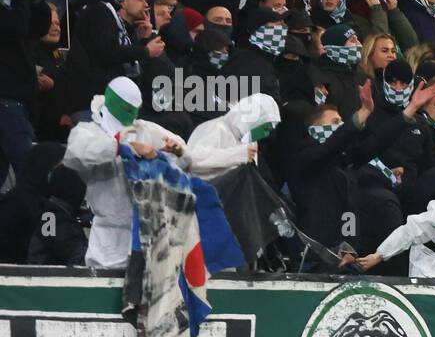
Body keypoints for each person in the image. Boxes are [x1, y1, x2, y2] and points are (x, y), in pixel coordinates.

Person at [63, 77, 188, 270]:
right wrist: (121, 146)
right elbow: (77, 154)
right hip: (108, 242)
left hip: (149, 235)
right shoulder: (89, 131)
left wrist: (177, 150)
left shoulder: (145, 129)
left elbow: (184, 152)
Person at [185, 93, 281, 180]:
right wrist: (240, 155)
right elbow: (194, 161)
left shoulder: (246, 142)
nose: (266, 134)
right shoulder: (217, 129)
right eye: (265, 129)